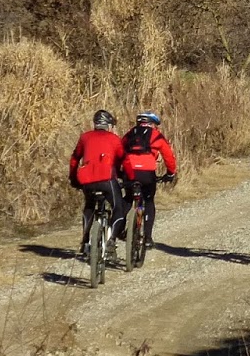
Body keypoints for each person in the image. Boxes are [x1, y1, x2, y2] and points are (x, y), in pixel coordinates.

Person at [69, 109, 125, 259]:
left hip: (87, 180)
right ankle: (112, 239)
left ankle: (85, 241)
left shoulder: (84, 137)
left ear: (95, 124)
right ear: (109, 126)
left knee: (89, 207)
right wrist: (124, 176)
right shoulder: (114, 139)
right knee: (118, 207)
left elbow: (75, 159)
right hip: (107, 180)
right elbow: (122, 159)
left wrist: (73, 178)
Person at [118, 110, 176, 249]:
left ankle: (118, 229)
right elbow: (168, 156)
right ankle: (148, 238)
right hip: (147, 174)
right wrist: (171, 173)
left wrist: (119, 171)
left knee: (128, 198)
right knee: (148, 201)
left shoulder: (130, 134)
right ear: (152, 124)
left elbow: (119, 150)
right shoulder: (156, 136)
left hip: (130, 171)